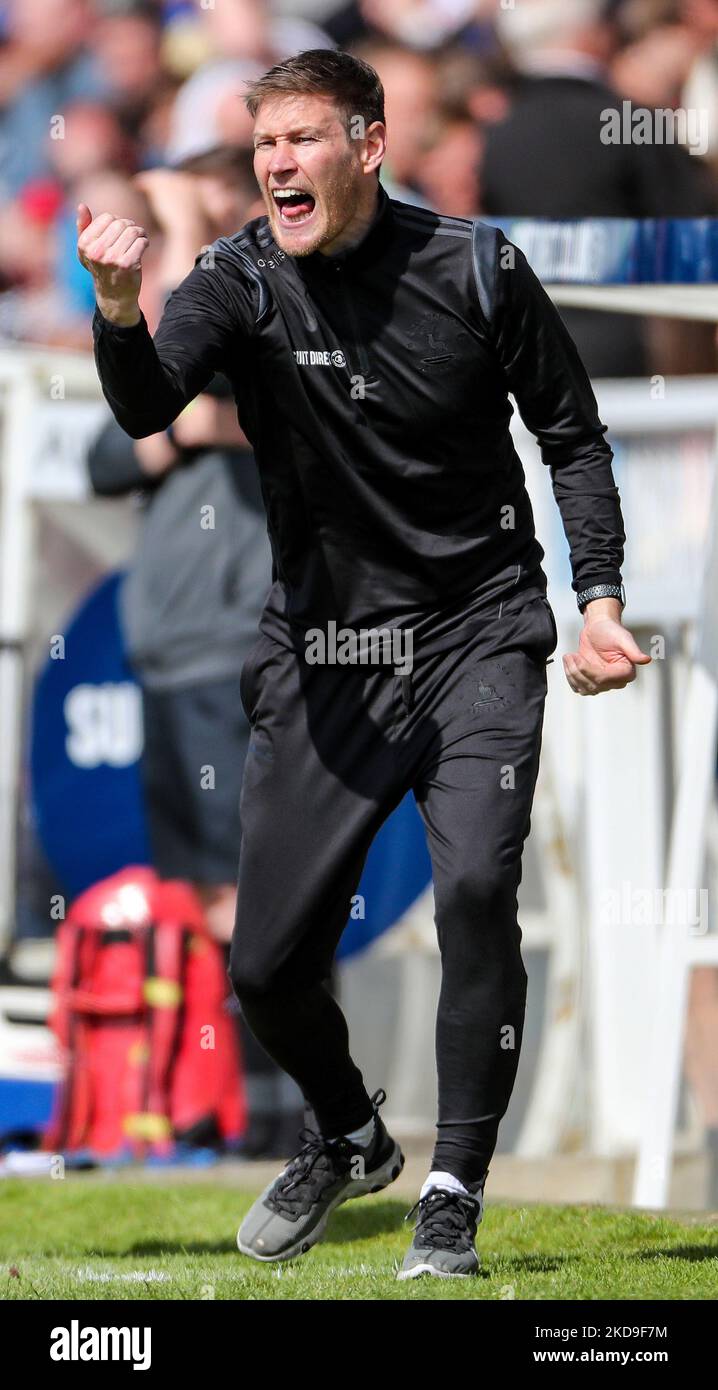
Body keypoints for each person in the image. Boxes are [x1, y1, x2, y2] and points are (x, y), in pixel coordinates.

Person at [77, 48, 650, 1279]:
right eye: (262, 145)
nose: (277, 164)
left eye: (301, 139)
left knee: (474, 892)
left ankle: (451, 1192)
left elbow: (572, 436)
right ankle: (347, 1132)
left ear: (370, 147)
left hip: (479, 630)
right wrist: (120, 313)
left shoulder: (477, 266)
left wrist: (596, 598)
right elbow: (141, 411)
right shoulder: (236, 281)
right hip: (325, 651)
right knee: (265, 966)